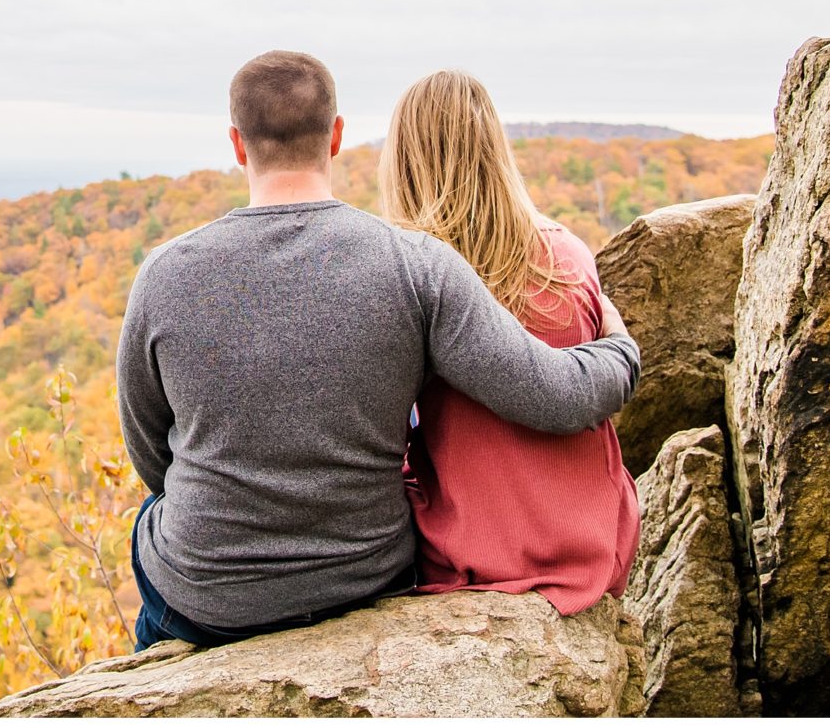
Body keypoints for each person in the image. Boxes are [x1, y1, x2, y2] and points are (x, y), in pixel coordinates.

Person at [117, 50, 640, 651]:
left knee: (153, 518)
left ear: (237, 144)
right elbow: (554, 395)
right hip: (365, 578)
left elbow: (150, 452)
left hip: (209, 596)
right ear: (336, 135)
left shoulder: (163, 275)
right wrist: (620, 348)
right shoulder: (416, 265)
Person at [381, 70, 642, 614]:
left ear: (403, 161)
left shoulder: (410, 279)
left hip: (475, 555)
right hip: (596, 545)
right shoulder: (567, 255)